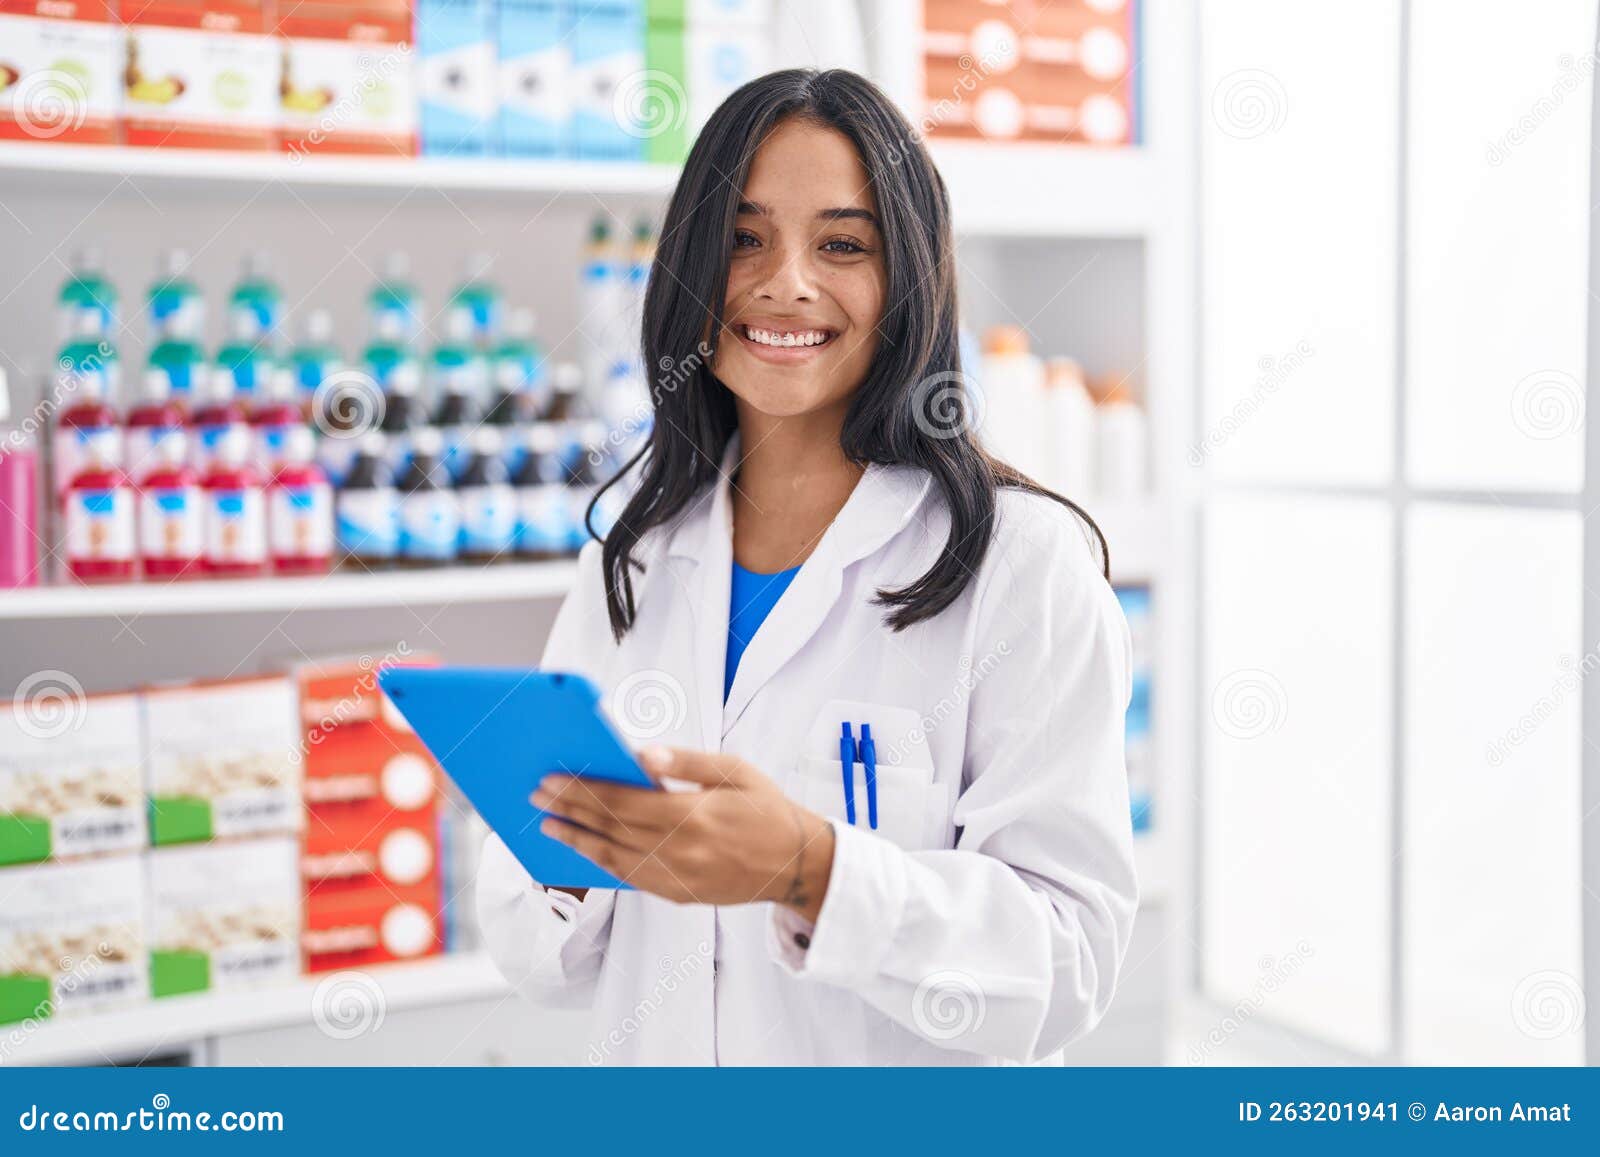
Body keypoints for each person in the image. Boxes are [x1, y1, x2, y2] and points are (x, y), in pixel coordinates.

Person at [476, 68, 1138, 1066]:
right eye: (742, 239)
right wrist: (573, 855)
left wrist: (811, 868)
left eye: (842, 244)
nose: (785, 281)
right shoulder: (636, 551)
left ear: (907, 275)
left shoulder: (1021, 564)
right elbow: (540, 955)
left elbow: (1069, 963)